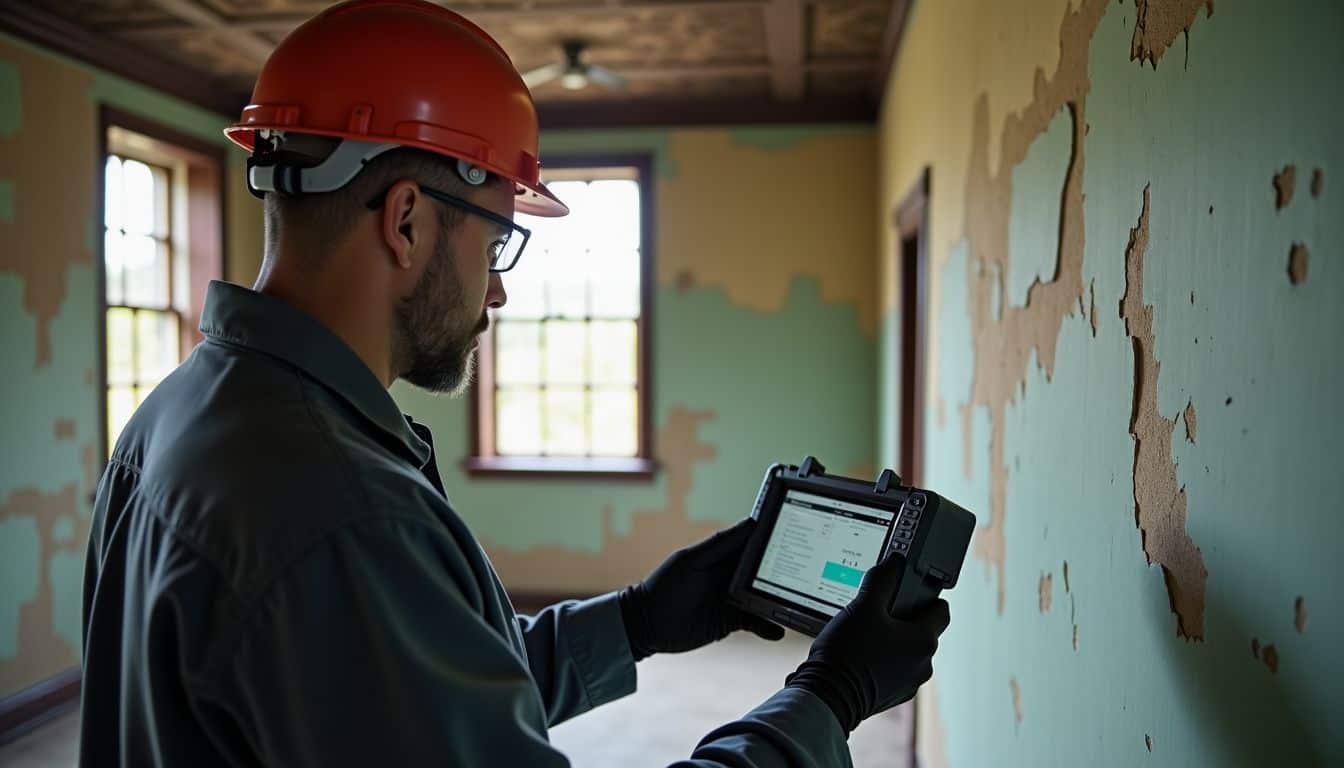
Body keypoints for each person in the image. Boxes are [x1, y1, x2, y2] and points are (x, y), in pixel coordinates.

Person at [78, 1, 950, 765]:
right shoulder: (345, 511)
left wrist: (640, 620)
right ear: (407, 221)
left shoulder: (176, 414)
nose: (496, 291)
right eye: (496, 245)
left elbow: (414, 697)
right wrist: (828, 698)